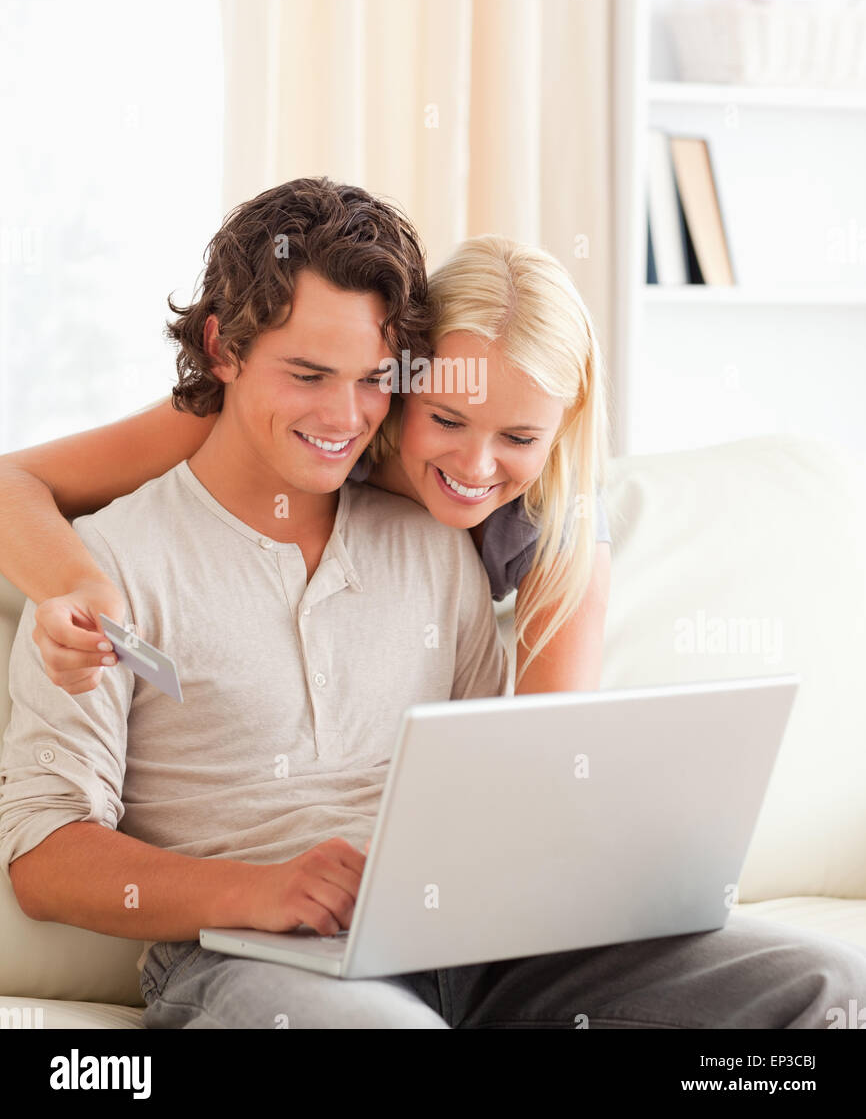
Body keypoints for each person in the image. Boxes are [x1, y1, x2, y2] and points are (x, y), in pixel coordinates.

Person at [1, 176, 865, 1030]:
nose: (343, 416)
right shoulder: (104, 563)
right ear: (224, 351)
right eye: (307, 373)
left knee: (832, 983)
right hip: (256, 959)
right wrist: (260, 891)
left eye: (374, 379)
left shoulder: (440, 536)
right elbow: (42, 859)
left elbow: (515, 782)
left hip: (478, 943)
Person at [0, 238, 613, 697]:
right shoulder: (308, 414)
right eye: (447, 421)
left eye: (520, 437)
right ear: (398, 375)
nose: (476, 465)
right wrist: (80, 585)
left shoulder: (559, 521)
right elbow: (12, 483)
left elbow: (550, 754)